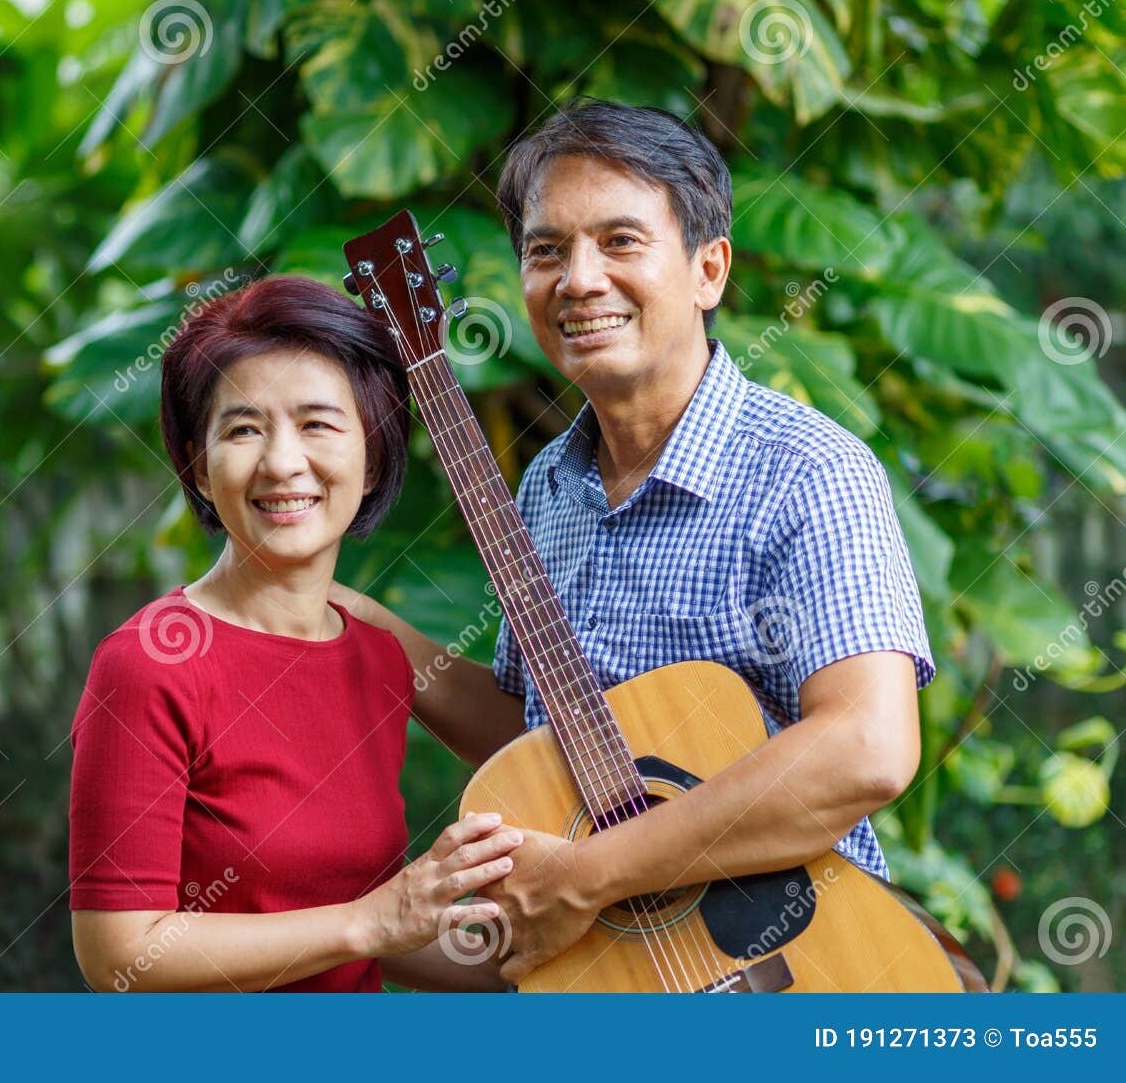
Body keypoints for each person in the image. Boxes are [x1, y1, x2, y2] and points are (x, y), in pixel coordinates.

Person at [333, 98, 935, 985]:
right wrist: (361, 624)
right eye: (546, 251)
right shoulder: (548, 488)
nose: (579, 279)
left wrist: (587, 874)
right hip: (622, 969)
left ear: (708, 270)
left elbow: (867, 747)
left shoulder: (808, 471)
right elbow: (546, 734)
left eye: (620, 241)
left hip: (803, 965)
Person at [68, 275, 522, 992]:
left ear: (373, 460)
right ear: (198, 465)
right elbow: (120, 954)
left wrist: (538, 963)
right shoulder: (150, 663)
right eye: (243, 429)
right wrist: (369, 923)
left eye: (317, 425)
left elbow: (349, 928)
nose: (282, 462)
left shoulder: (375, 655)